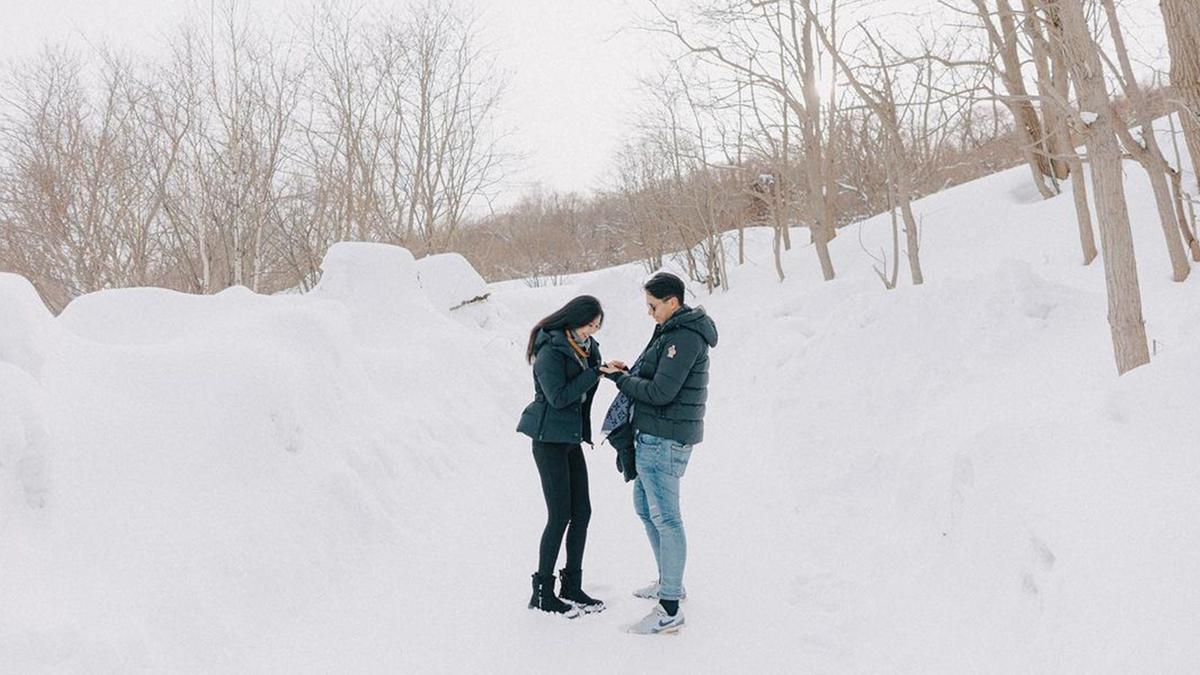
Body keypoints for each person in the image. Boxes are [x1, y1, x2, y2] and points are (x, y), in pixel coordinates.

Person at [600, 272, 718, 635]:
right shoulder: (671, 331)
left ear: (672, 302)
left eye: (653, 306)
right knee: (644, 508)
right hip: (653, 434)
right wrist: (627, 372)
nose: (649, 313)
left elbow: (661, 393)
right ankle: (669, 582)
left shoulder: (682, 336)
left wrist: (620, 381)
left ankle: (669, 610)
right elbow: (655, 379)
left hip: (663, 438)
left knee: (666, 518)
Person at [517, 294, 611, 618]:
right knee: (559, 515)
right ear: (572, 320)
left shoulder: (587, 348)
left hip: (569, 439)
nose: (591, 332)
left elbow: (588, 381)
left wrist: (606, 371)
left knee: (582, 512)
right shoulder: (549, 351)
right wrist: (595, 373)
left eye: (596, 327)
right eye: (588, 325)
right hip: (547, 440)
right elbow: (558, 398)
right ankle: (542, 592)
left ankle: (571, 586)